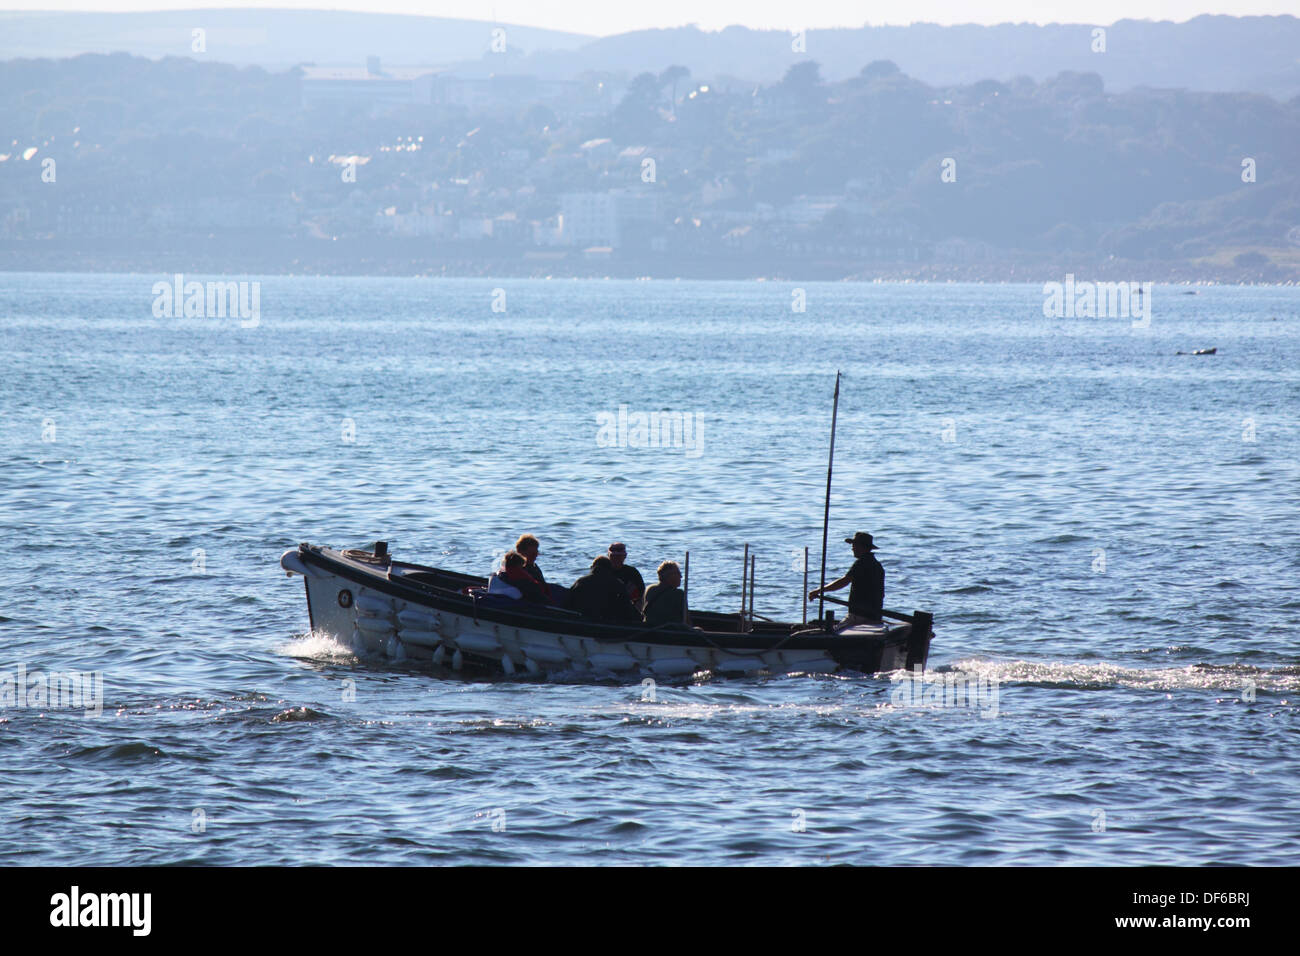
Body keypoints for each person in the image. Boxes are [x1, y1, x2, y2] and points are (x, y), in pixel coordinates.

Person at [808, 531, 885, 628]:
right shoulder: (877, 565)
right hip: (875, 615)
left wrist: (818, 590)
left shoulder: (861, 563)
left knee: (835, 632)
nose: (852, 548)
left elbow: (843, 582)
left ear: (863, 547)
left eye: (854, 545)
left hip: (859, 615)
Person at [565, 556, 641, 623]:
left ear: (592, 567)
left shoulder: (580, 582)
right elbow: (627, 607)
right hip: (609, 623)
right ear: (610, 568)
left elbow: (568, 604)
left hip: (583, 622)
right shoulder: (617, 584)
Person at [642, 560, 691, 627]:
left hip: (649, 629)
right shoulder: (678, 594)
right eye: (678, 573)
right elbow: (687, 621)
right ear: (669, 576)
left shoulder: (649, 589)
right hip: (671, 631)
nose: (681, 577)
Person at [607, 542, 645, 610]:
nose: (616, 559)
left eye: (619, 556)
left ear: (625, 556)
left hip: (628, 606)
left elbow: (641, 592)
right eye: (613, 556)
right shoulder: (604, 571)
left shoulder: (632, 572)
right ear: (608, 556)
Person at [513, 533, 552, 600]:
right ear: (520, 552)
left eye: (536, 553)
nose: (536, 556)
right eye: (532, 554)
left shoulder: (534, 567)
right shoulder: (516, 569)